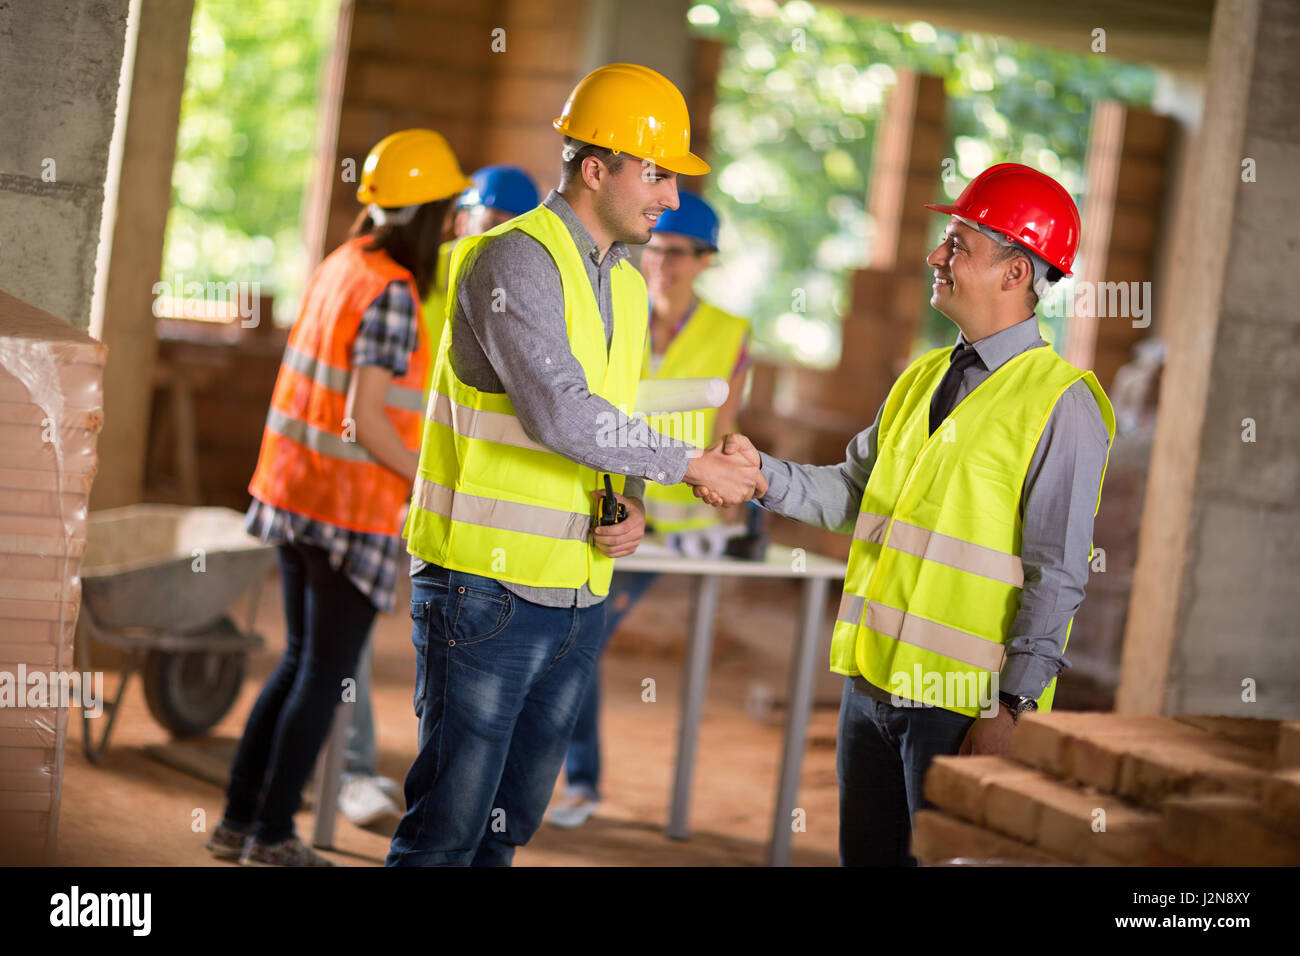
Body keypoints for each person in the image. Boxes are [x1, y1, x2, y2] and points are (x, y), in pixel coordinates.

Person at [386, 62, 761, 867]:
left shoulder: (624, 281)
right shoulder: (512, 261)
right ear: (596, 169)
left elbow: (617, 413)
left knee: (507, 826)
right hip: (484, 587)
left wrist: (632, 497)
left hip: (578, 587)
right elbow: (559, 412)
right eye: (656, 174)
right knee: (445, 831)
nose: (670, 197)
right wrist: (688, 464)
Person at [696, 163, 1116, 866]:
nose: (934, 257)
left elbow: (1057, 573)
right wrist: (761, 476)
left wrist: (1012, 708)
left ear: (1016, 272)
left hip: (960, 704)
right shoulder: (923, 377)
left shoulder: (1061, 403)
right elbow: (854, 492)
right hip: (871, 686)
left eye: (958, 245)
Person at [205, 129, 473, 866]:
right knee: (323, 675)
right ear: (427, 214)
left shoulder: (343, 263)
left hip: (295, 491)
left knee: (301, 664)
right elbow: (367, 415)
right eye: (450, 210)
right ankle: (271, 835)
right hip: (343, 508)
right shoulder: (391, 290)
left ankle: (237, 822)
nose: (456, 223)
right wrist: (429, 478)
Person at [340, 163, 539, 827]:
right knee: (346, 637)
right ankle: (348, 769)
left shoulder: (520, 287)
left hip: (442, 490)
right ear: (458, 219)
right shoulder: (422, 279)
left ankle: (414, 784)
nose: (495, 239)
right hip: (387, 476)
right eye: (487, 223)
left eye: (511, 228)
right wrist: (416, 477)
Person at [547, 190, 752, 828]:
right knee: (576, 635)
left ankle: (580, 783)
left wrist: (730, 503)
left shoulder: (730, 331)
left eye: (682, 253)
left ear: (706, 260)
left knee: (582, 635)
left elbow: (726, 420)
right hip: (611, 495)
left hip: (680, 519)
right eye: (658, 249)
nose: (665, 262)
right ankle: (574, 781)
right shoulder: (617, 304)